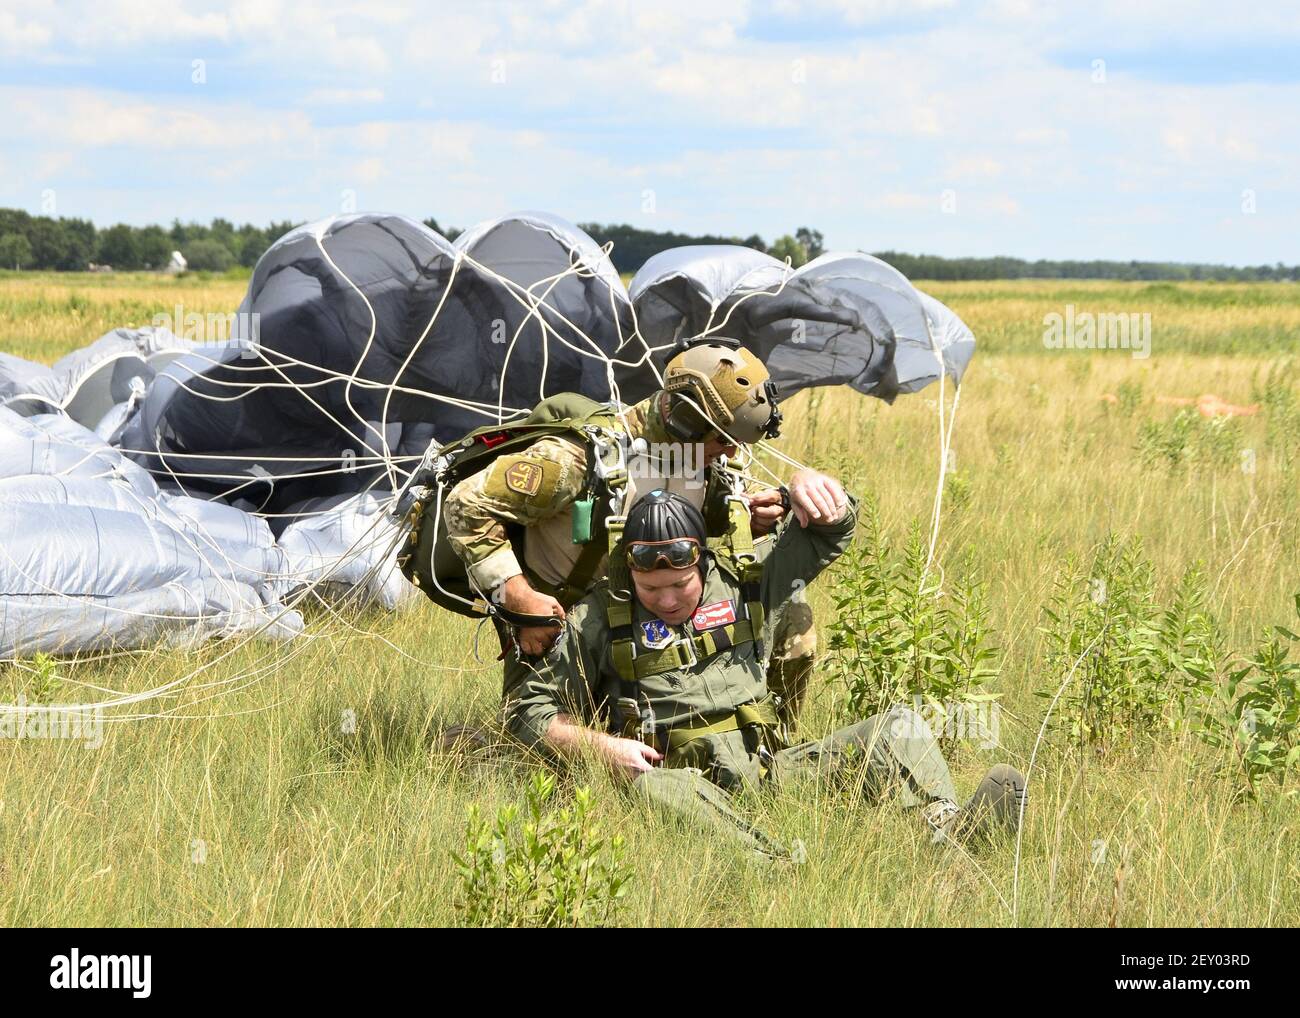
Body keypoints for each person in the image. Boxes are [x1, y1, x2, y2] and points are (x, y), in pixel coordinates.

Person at [502, 485, 1027, 857]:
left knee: (898, 727)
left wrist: (811, 491)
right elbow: (527, 711)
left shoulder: (747, 582)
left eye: (680, 585)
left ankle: (952, 834)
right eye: (651, 588)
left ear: (703, 562)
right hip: (679, 783)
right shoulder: (600, 615)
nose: (666, 600)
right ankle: (775, 867)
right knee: (651, 789)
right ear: (631, 571)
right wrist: (604, 748)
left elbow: (830, 534)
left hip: (769, 772)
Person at [442, 338, 822, 729]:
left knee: (794, 621)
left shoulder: (703, 457)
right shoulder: (577, 459)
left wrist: (745, 522)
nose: (730, 453)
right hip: (566, 626)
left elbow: (689, 541)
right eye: (723, 440)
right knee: (539, 746)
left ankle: (768, 744)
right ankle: (465, 745)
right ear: (687, 418)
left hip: (654, 612)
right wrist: (517, 598)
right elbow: (464, 505)